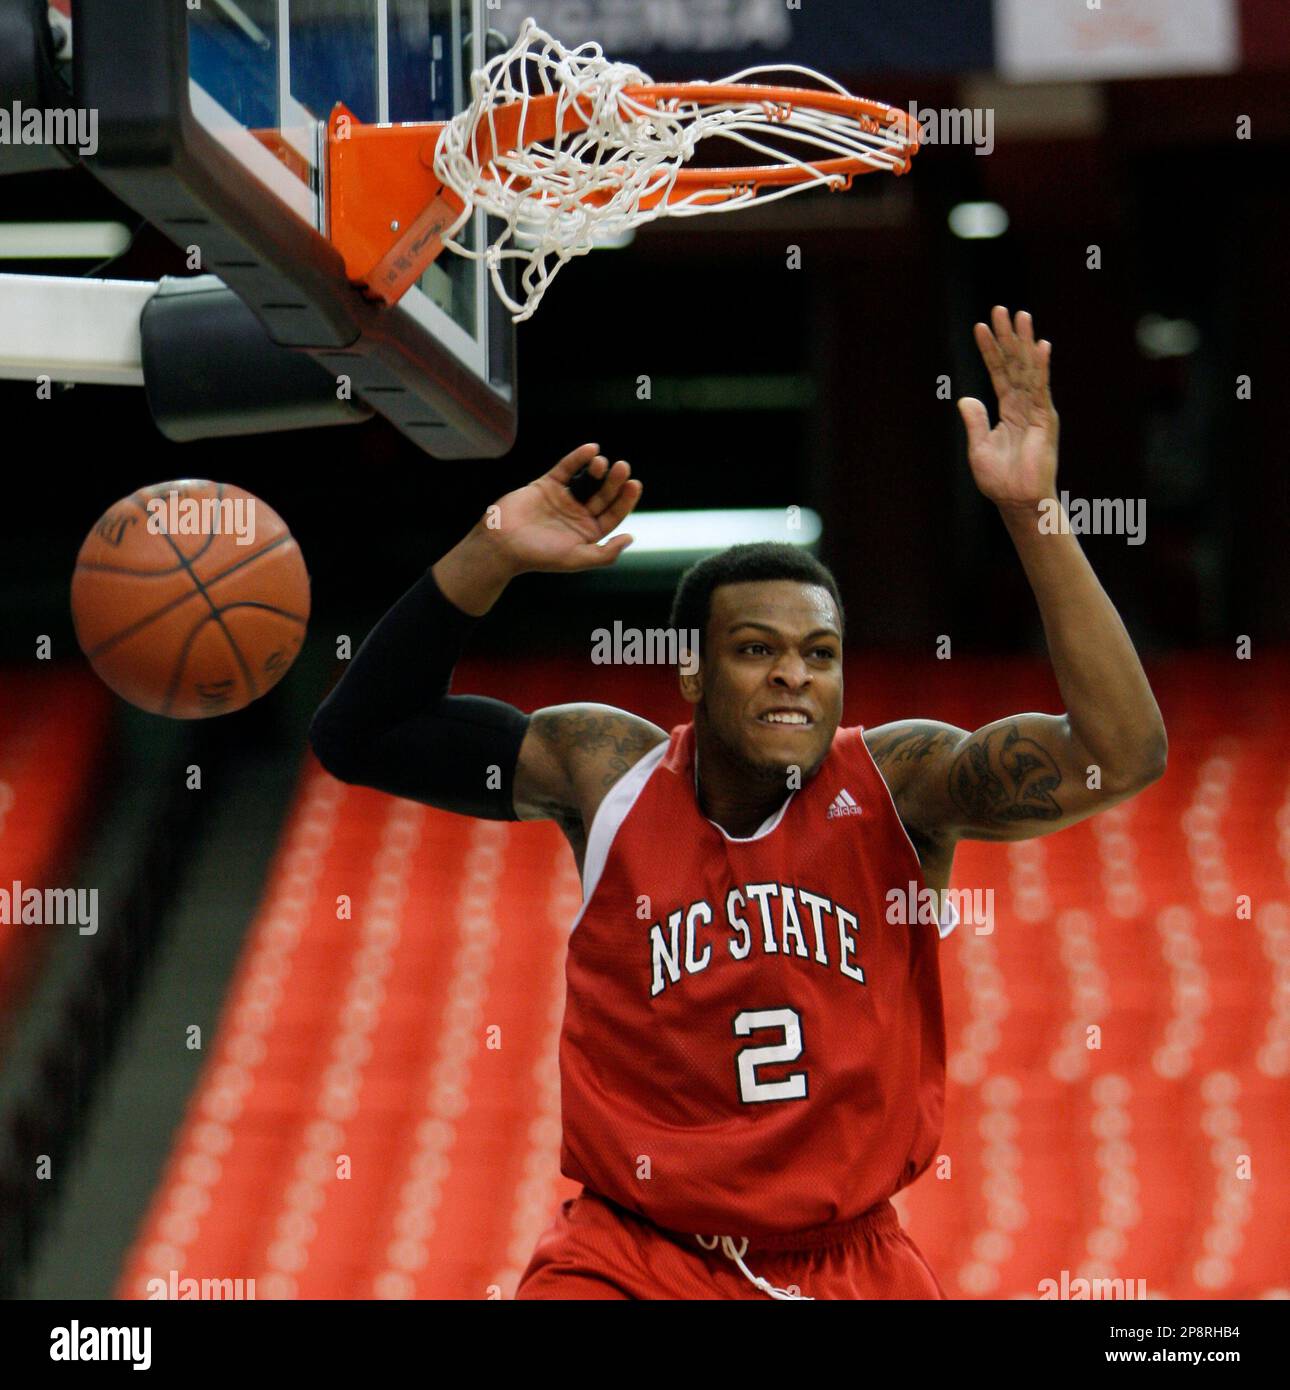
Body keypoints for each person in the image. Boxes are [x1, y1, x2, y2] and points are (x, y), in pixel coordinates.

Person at [309, 307, 1167, 1299]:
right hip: (634, 1257)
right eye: (757, 650)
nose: (793, 676)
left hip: (851, 1261)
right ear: (692, 674)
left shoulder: (901, 784)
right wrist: (490, 549)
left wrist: (1033, 513)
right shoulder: (606, 772)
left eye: (820, 654)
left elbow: (1122, 752)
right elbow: (358, 734)